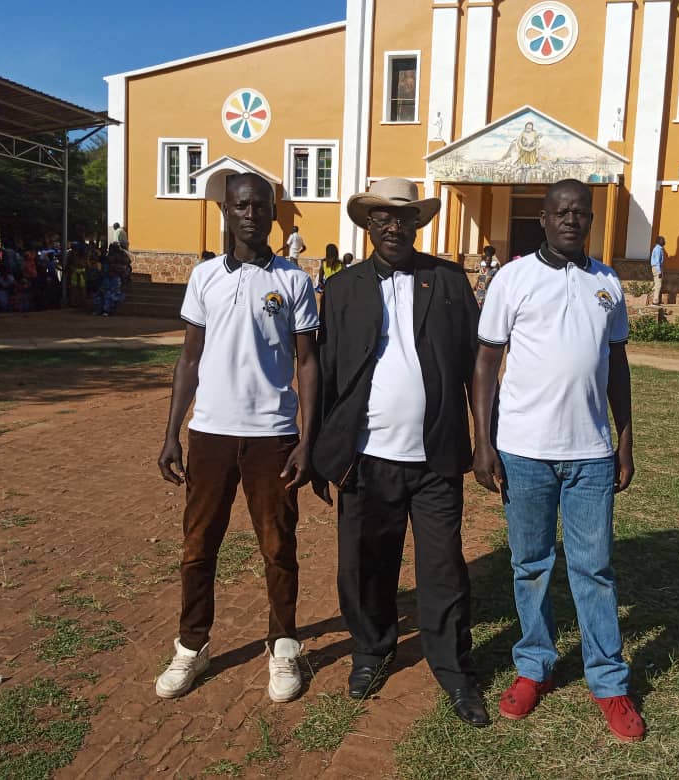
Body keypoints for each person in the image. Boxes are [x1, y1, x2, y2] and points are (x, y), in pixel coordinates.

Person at [471, 179, 645, 743]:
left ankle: (608, 681)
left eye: (581, 213)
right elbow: (486, 363)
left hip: (590, 453)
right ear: (543, 219)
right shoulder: (512, 279)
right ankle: (535, 667)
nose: (572, 220)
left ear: (591, 220)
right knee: (531, 565)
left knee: (594, 569)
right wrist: (482, 441)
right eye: (561, 212)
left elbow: (616, 365)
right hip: (524, 450)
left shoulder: (607, 283)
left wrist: (624, 439)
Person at [311, 177, 488, 727]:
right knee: (365, 564)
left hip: (436, 458)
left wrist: (485, 441)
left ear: (417, 224)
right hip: (366, 457)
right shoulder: (342, 288)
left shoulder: (449, 281)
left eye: (404, 218)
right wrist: (320, 452)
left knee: (443, 569)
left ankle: (454, 669)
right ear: (369, 225)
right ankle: (371, 650)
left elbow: (476, 368)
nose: (393, 227)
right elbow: (327, 375)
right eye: (383, 217)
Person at [155, 172, 321, 703]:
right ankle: (192, 645)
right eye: (241, 206)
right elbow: (189, 359)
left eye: (260, 206)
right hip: (210, 434)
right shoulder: (204, 276)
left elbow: (308, 363)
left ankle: (284, 645)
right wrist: (172, 432)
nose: (251, 214)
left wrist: (307, 438)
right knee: (198, 545)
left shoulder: (294, 281)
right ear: (226, 211)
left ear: (274, 213)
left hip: (273, 435)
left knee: (278, 546)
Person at [649, 235, 666, 306]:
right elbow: (657, 261)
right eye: (662, 240)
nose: (664, 241)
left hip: (655, 267)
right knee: (658, 284)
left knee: (656, 283)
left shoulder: (657, 248)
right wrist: (659, 271)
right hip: (657, 267)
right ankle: (655, 301)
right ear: (659, 241)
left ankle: (654, 299)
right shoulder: (658, 249)